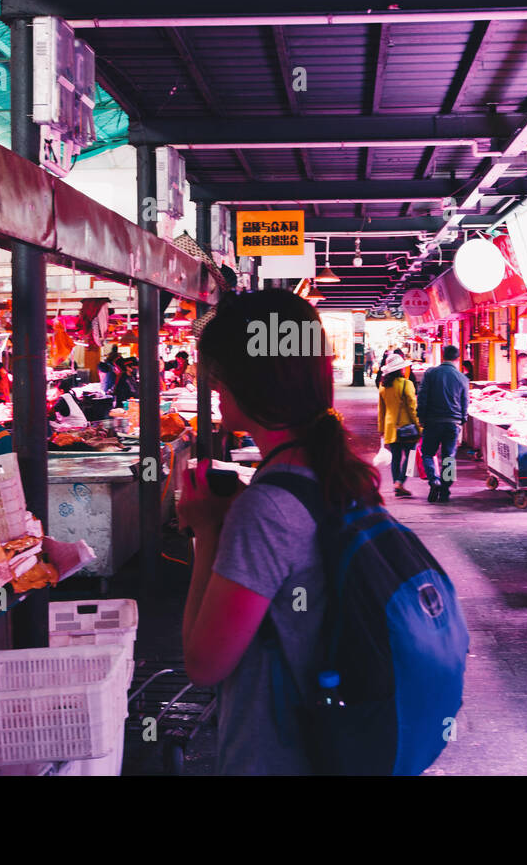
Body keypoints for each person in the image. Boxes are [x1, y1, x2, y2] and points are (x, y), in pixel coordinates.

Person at [176, 289, 381, 774]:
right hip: (335, 743)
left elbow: (204, 664)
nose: (214, 390)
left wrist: (207, 530)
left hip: (281, 754)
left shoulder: (265, 509)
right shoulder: (343, 472)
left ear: (249, 381)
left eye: (218, 376)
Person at [418, 345, 470, 503]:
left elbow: (422, 396)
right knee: (449, 457)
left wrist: (421, 417)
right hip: (452, 423)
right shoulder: (462, 378)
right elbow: (465, 401)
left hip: (432, 421)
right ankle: (446, 490)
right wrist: (462, 419)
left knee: (427, 453)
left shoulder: (431, 374)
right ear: (457, 359)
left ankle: (434, 480)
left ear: (442, 355)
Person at [377, 356, 420, 498]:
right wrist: (419, 426)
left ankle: (397, 484)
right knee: (411, 456)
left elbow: (381, 410)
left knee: (396, 458)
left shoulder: (383, 386)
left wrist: (381, 429)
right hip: (407, 427)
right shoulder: (406, 384)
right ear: (401, 369)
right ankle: (400, 482)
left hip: (390, 427)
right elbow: (412, 408)